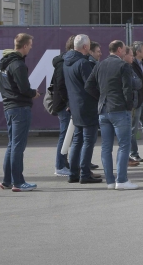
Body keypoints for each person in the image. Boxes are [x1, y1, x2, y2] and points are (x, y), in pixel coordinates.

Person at [85, 40, 138, 190]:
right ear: (120, 49)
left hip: (103, 110)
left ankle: (110, 181)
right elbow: (127, 89)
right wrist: (129, 106)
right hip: (119, 109)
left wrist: (101, 97)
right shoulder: (123, 66)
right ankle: (121, 180)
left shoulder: (99, 65)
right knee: (124, 145)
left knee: (106, 147)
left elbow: (88, 86)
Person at [0, 33, 39, 192]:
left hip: (9, 106)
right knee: (18, 146)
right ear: (24, 46)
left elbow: (2, 86)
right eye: (30, 45)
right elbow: (24, 88)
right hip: (20, 108)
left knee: (12, 145)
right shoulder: (18, 65)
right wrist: (33, 93)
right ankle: (18, 182)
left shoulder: (4, 63)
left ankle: (7, 181)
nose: (30, 48)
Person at [64, 34, 103, 185]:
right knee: (88, 141)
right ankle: (85, 173)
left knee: (77, 141)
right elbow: (90, 85)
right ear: (86, 47)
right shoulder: (83, 63)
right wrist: (100, 97)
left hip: (75, 106)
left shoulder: (67, 62)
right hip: (87, 106)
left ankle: (74, 173)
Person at [50, 35, 75, 177]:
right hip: (64, 105)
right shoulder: (63, 62)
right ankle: (60, 166)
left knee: (68, 135)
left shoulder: (65, 61)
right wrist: (68, 102)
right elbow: (60, 85)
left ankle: (64, 163)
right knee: (65, 135)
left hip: (66, 103)